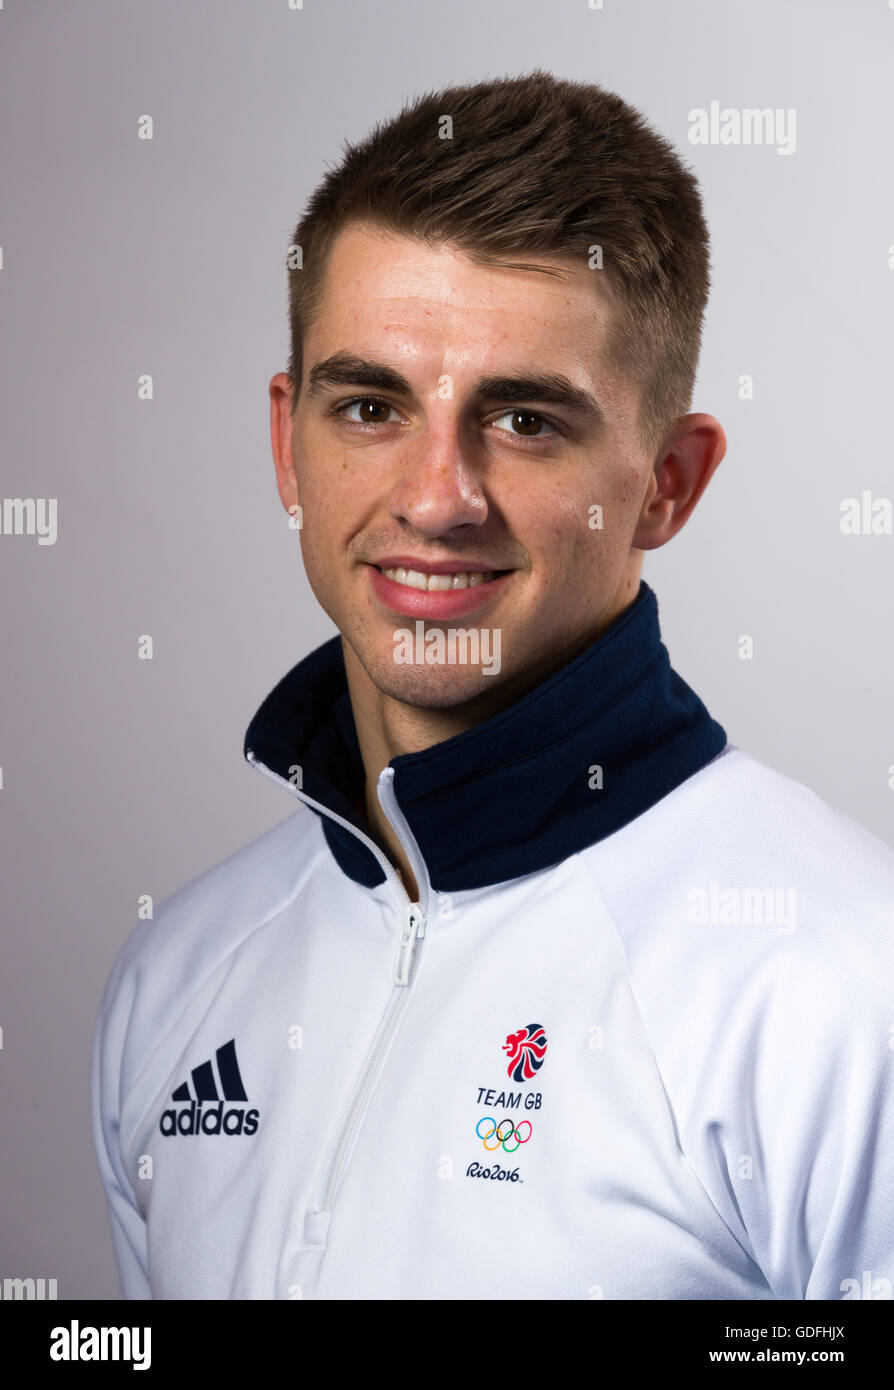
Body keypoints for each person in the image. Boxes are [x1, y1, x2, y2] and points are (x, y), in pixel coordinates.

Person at [91, 70, 894, 1301]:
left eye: (523, 421)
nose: (435, 497)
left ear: (668, 483)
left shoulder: (841, 986)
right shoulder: (178, 977)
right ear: (286, 444)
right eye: (369, 406)